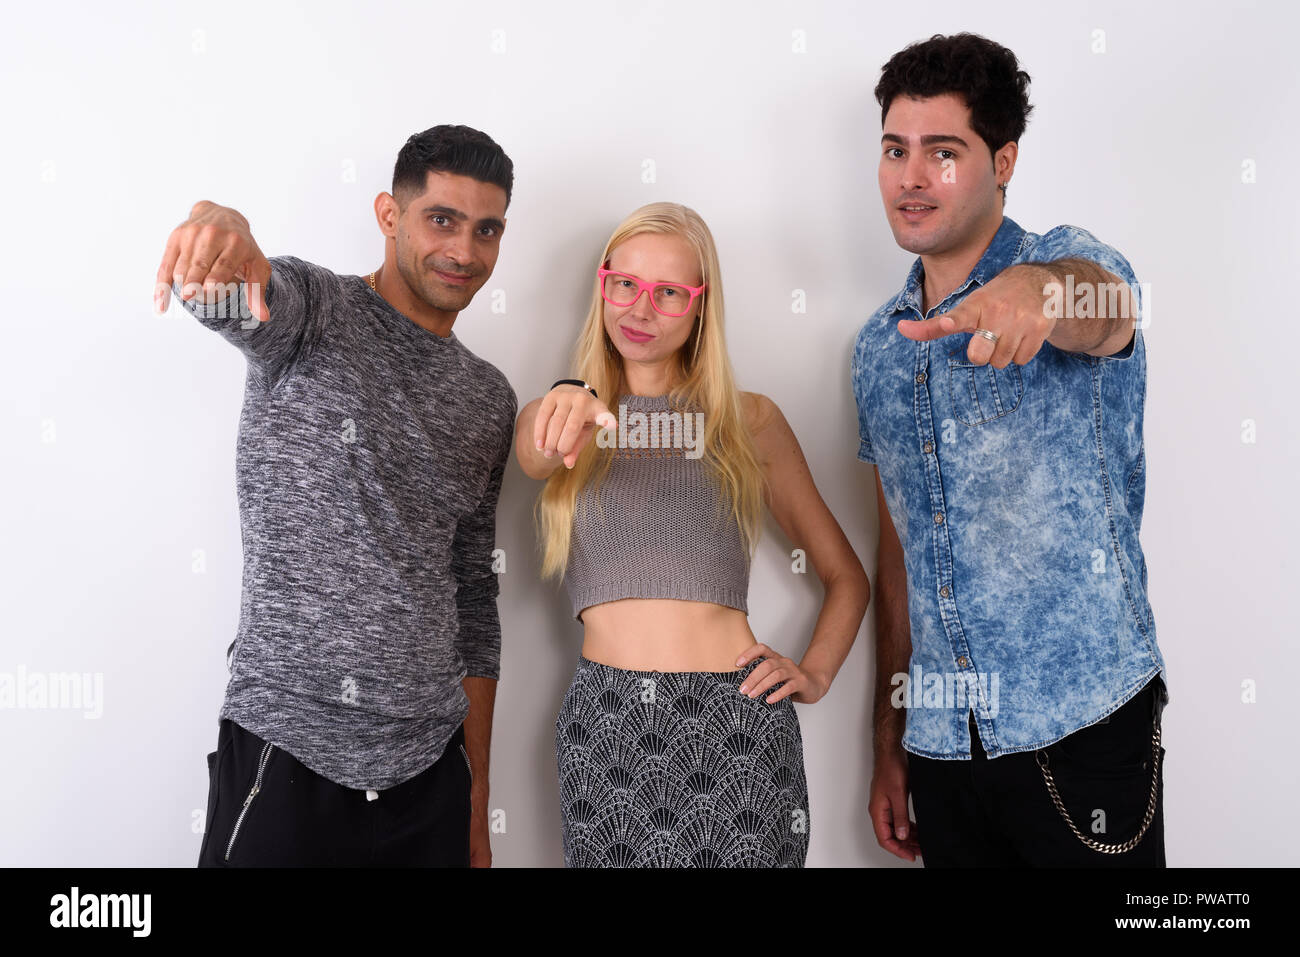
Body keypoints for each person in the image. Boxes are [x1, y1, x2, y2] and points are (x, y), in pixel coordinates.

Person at [154, 125, 517, 866]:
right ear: (390, 214)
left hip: (431, 771)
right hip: (287, 750)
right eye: (441, 219)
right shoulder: (314, 309)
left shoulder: (489, 397)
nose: (464, 251)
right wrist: (220, 229)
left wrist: (476, 803)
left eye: (487, 230)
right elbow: (238, 293)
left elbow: (474, 599)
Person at [854, 33, 1170, 867]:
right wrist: (890, 735)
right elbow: (902, 547)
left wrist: (1038, 290)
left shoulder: (1068, 265)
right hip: (944, 747)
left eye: (944, 152)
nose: (912, 177)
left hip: (1082, 724)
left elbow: (1110, 310)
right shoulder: (877, 349)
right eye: (896, 150)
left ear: (1004, 161)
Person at [515, 202, 869, 867]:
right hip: (607, 725)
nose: (640, 309)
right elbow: (534, 454)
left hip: (734, 725)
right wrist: (572, 395)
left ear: (700, 306)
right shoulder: (565, 415)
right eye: (626, 284)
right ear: (603, 284)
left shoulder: (749, 422)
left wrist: (815, 671)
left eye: (669, 293)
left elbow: (847, 575)